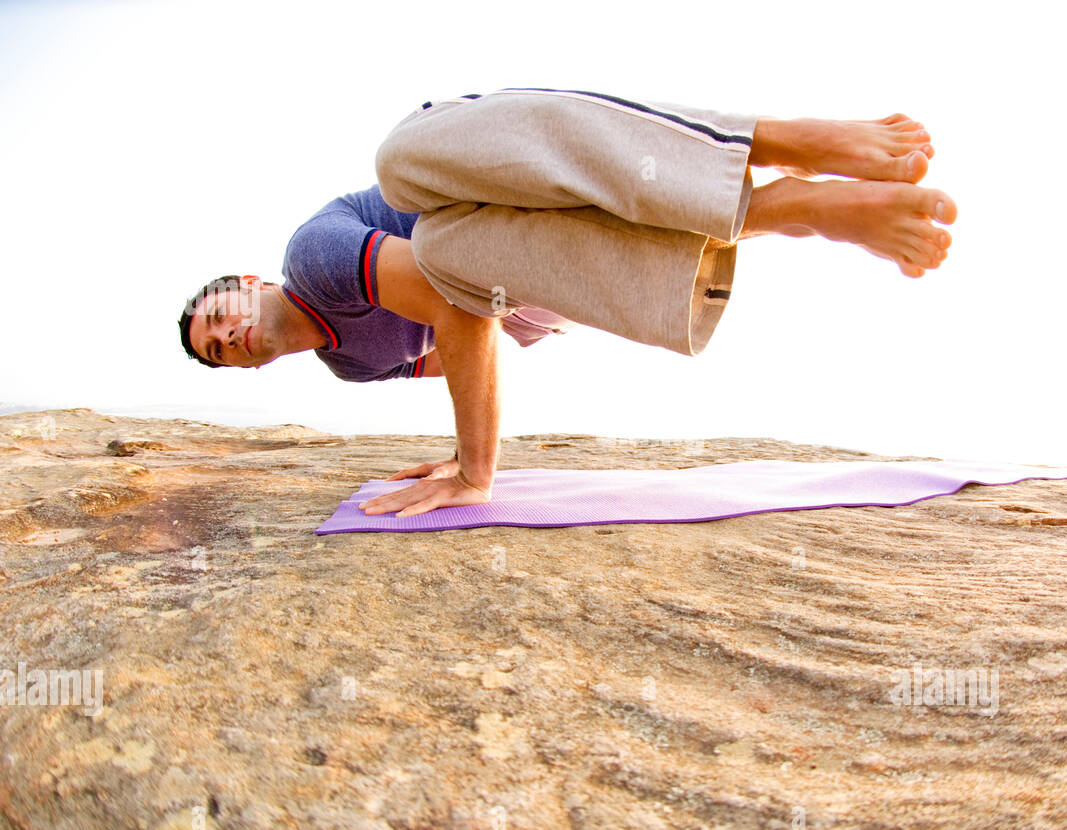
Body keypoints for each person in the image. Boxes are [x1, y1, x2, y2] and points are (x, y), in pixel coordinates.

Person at [179, 87, 956, 519]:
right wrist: (461, 449)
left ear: (247, 284)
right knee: (469, 263)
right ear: (241, 365)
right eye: (218, 349)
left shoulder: (309, 259)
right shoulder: (349, 365)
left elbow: (457, 317)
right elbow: (465, 343)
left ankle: (780, 150)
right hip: (528, 279)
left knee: (402, 167)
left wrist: (476, 469)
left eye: (219, 315)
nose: (229, 335)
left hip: (478, 169)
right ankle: (790, 211)